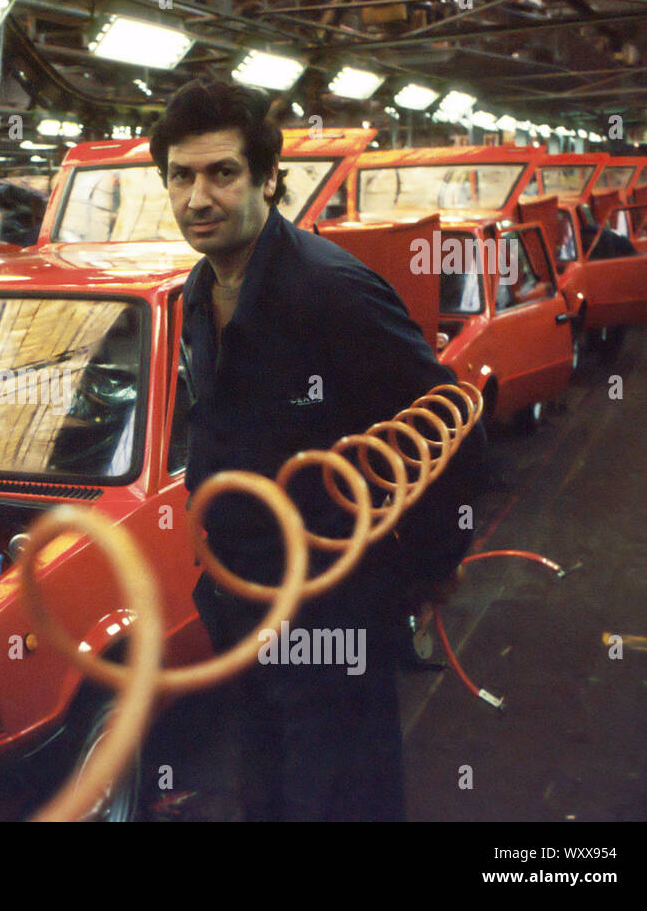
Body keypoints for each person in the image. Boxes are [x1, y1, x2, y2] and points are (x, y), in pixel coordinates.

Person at [154, 79, 487, 821]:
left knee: (339, 794)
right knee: (264, 784)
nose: (197, 198)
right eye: (181, 176)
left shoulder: (330, 290)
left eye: (222, 172)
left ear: (269, 177)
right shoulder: (196, 294)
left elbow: (455, 427)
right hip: (239, 596)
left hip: (327, 602)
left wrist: (432, 568)